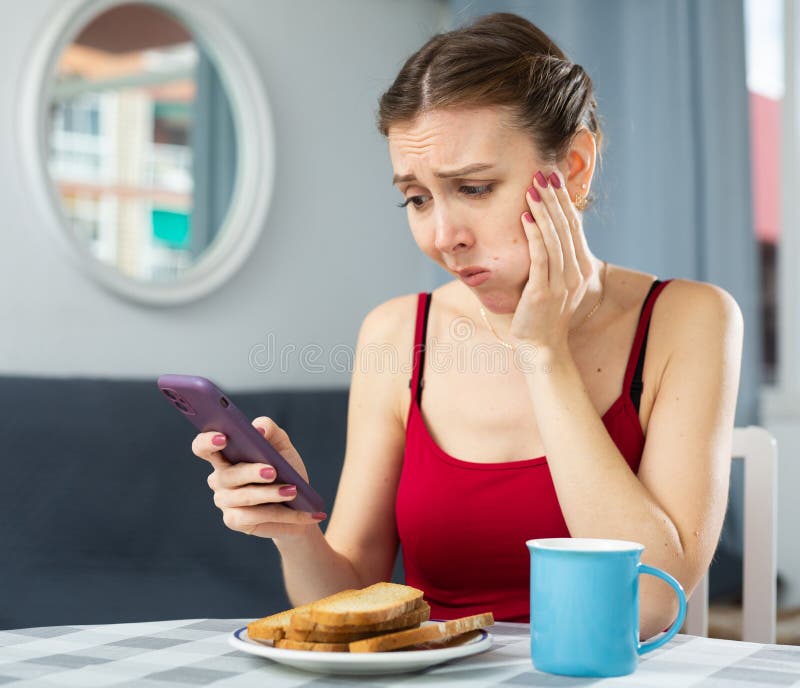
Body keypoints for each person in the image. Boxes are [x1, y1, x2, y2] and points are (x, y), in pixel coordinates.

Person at [192, 12, 743, 639]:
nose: (442, 238)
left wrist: (543, 350)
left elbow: (647, 607)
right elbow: (348, 608)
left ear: (576, 167)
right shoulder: (397, 334)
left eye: (475, 188)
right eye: (417, 199)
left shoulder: (688, 320)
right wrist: (291, 532)